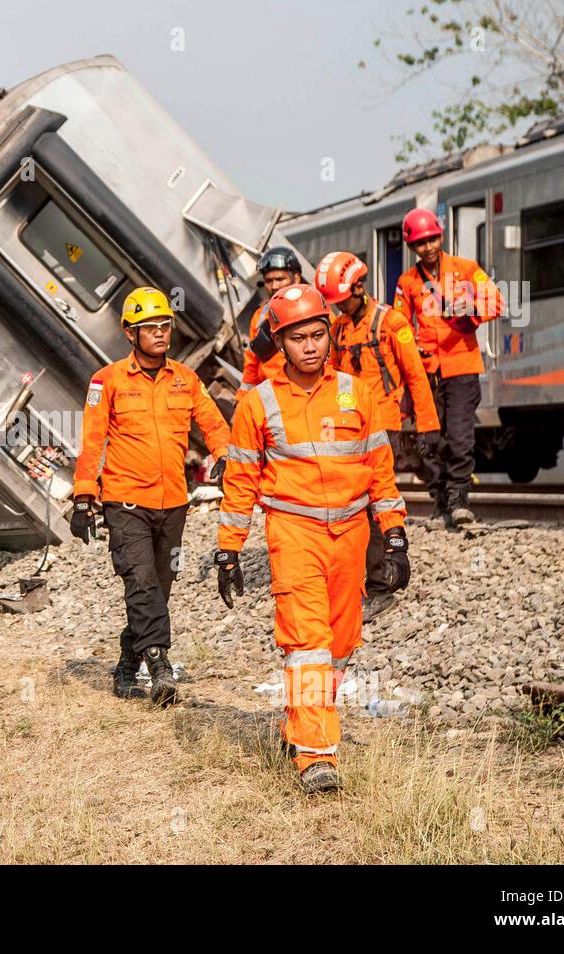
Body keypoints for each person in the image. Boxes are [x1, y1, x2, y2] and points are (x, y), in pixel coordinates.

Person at [214, 284, 408, 794]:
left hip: (350, 536)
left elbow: (380, 473)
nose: (310, 346)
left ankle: (298, 725)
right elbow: (238, 483)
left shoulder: (356, 393)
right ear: (280, 344)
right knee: (307, 645)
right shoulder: (258, 404)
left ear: (330, 335)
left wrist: (395, 536)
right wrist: (229, 549)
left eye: (317, 334)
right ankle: (317, 753)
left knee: (341, 643)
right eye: (297, 338)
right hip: (293, 535)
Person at [72, 286, 231, 706]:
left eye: (165, 325)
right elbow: (92, 442)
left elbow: (212, 423)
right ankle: (160, 667)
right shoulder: (107, 381)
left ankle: (127, 663)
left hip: (173, 502)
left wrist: (225, 455)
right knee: (140, 583)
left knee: (156, 592)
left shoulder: (185, 379)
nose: (160, 333)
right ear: (130, 333)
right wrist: (84, 496)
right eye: (150, 328)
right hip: (125, 502)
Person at [315, 251, 439, 621]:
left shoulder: (391, 322)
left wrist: (428, 426)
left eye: (342, 301)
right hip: (347, 429)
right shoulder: (338, 330)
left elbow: (415, 375)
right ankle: (362, 578)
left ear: (358, 287)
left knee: (372, 503)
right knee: (352, 503)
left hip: (385, 427)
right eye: (333, 304)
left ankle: (381, 580)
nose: (338, 309)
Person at [393, 208, 504, 526]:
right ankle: (441, 502)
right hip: (427, 373)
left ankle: (458, 500)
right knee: (430, 442)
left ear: (440, 236)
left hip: (462, 368)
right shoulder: (407, 282)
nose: (428, 247)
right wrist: (409, 346)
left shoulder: (466, 269)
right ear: (412, 246)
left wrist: (471, 308)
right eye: (420, 243)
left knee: (459, 438)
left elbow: (496, 301)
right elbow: (398, 323)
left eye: (432, 240)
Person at [241, 246, 303, 389]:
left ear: (297, 278)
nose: (274, 286)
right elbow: (251, 365)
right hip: (271, 396)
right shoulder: (259, 317)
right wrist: (242, 399)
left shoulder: (315, 309)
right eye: (269, 281)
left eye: (280, 279)